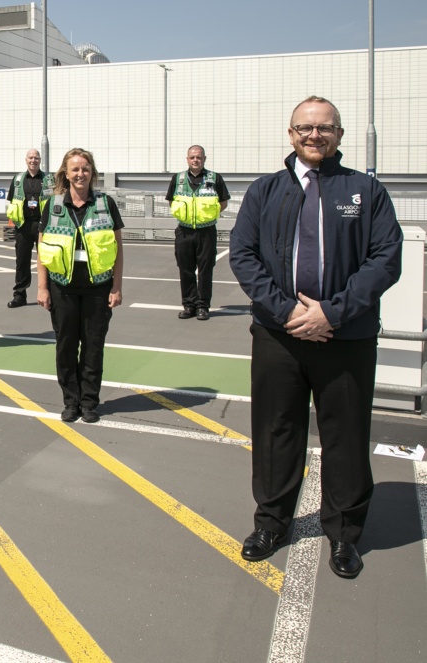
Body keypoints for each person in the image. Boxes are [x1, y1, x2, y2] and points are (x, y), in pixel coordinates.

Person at [230, 96, 403, 578]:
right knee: (275, 431)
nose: (314, 135)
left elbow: (386, 260)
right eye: (305, 128)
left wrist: (332, 313)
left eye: (324, 128)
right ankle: (271, 522)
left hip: (345, 338)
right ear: (290, 134)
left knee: (345, 437)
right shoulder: (264, 192)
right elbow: (243, 256)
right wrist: (289, 312)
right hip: (278, 337)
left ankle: (345, 534)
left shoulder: (366, 192)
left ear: (339, 136)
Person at [36, 148, 124, 424]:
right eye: (75, 169)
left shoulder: (105, 204)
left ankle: (89, 402)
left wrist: (116, 287)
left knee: (93, 346)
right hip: (62, 288)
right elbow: (40, 249)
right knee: (65, 346)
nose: (80, 174)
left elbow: (119, 249)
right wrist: (42, 287)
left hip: (98, 288)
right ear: (65, 173)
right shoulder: (52, 206)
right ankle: (70, 401)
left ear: (92, 173)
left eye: (85, 169)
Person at [165, 145, 229, 320]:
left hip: (206, 232)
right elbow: (172, 202)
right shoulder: (177, 179)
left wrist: (205, 217)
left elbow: (223, 203)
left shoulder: (215, 178)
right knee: (185, 269)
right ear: (187, 159)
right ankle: (189, 305)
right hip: (184, 232)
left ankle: (203, 306)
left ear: (204, 159)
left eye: (199, 157)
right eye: (192, 157)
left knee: (205, 270)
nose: (195, 160)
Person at [5, 148, 53, 308]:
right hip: (23, 225)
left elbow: (56, 200)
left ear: (40, 160)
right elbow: (12, 201)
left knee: (47, 260)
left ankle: (50, 293)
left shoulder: (49, 179)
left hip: (43, 226)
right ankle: (20, 295)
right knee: (22, 262)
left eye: (36, 158)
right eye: (31, 158)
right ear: (26, 160)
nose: (33, 160)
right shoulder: (18, 179)